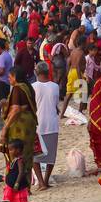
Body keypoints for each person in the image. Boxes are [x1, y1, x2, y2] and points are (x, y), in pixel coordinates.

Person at [33, 61, 61, 189]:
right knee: (51, 155)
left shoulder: (33, 87)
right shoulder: (55, 86)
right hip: (52, 123)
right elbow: (55, 104)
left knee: (36, 155)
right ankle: (46, 180)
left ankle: (41, 182)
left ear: (37, 72)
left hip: (38, 123)